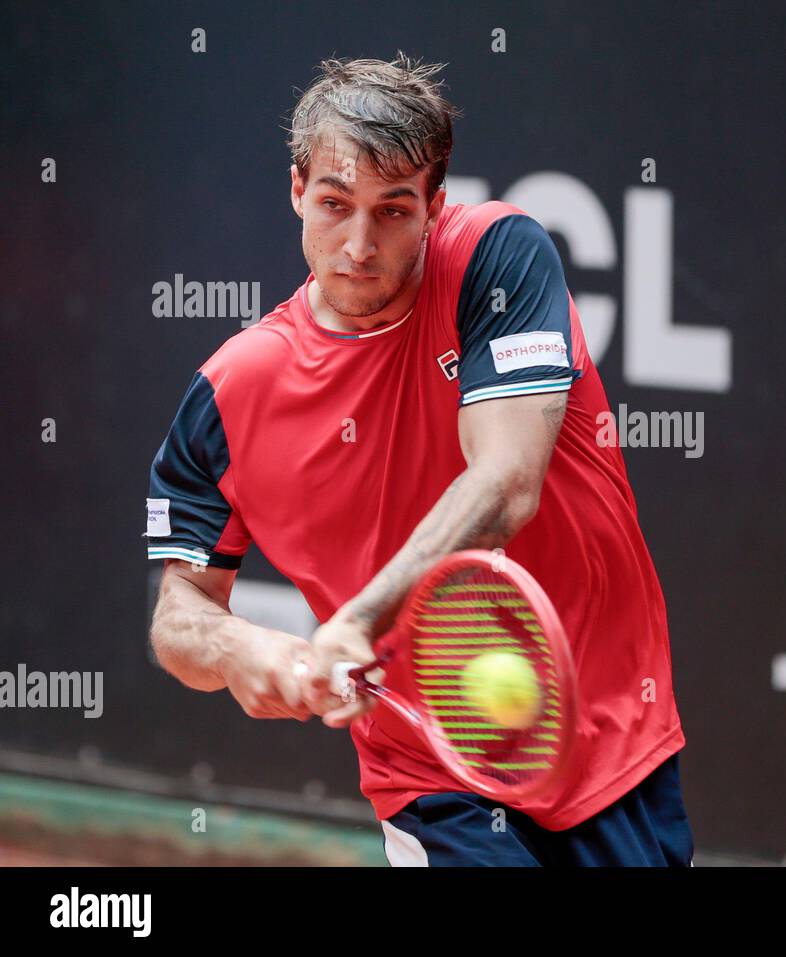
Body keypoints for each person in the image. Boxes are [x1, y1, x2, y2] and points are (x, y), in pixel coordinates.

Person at [145, 53, 692, 866]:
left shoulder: (496, 261)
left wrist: (360, 618)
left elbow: (507, 483)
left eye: (393, 210)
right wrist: (238, 649)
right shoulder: (229, 396)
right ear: (297, 189)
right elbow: (180, 608)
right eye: (334, 204)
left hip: (610, 728)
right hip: (436, 773)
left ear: (437, 204)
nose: (359, 244)